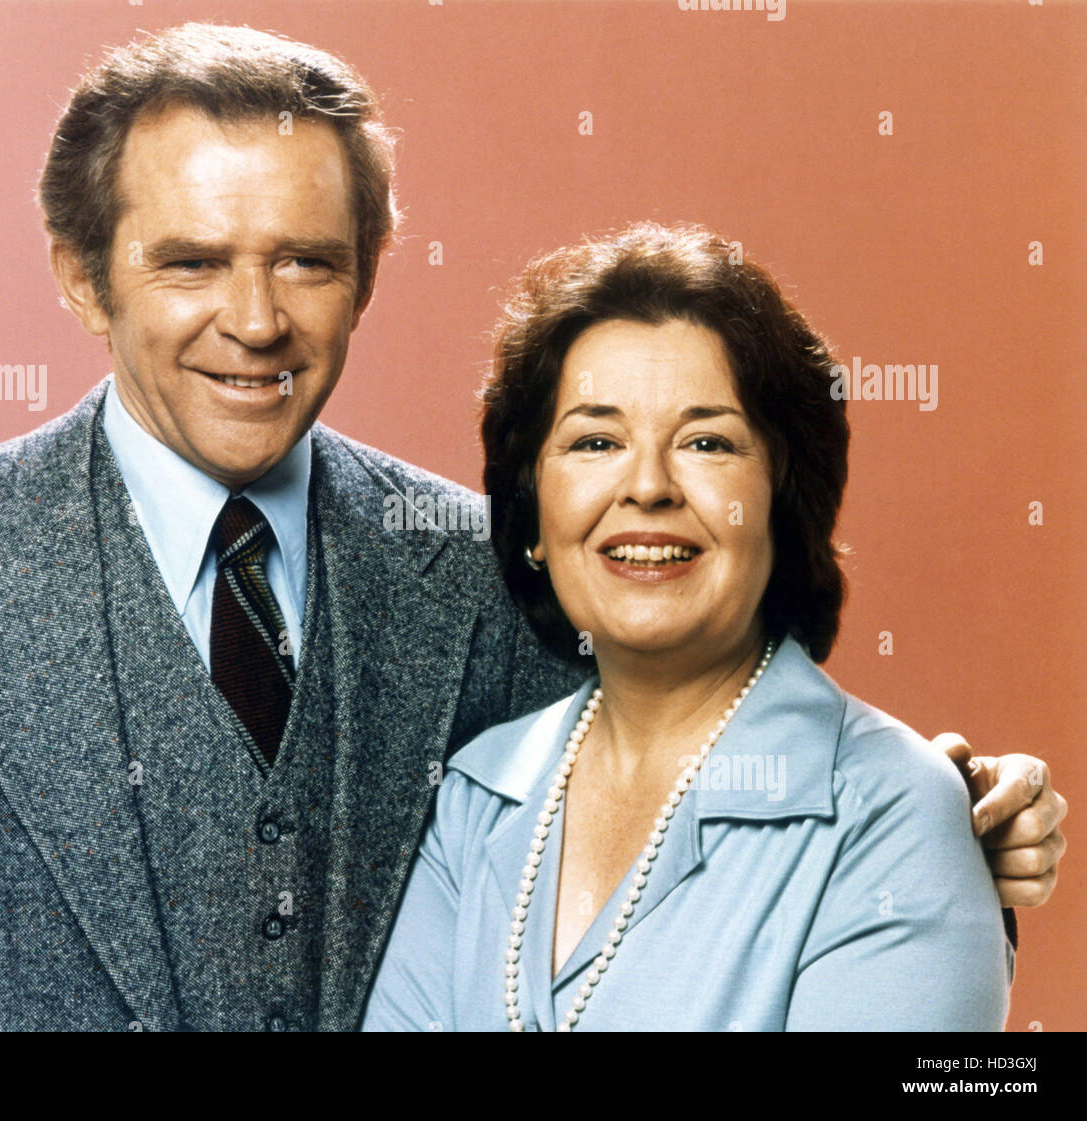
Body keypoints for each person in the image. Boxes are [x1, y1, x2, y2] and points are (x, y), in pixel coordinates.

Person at [0, 25, 1065, 1033]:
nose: (254, 319)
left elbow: (685, 744)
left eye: (306, 260)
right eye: (189, 262)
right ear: (81, 272)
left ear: (371, 271)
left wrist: (939, 811)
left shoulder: (478, 565)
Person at [363, 223, 1019, 1031]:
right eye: (595, 440)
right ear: (532, 512)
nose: (647, 486)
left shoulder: (892, 811)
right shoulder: (476, 795)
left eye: (706, 442)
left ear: (784, 499)